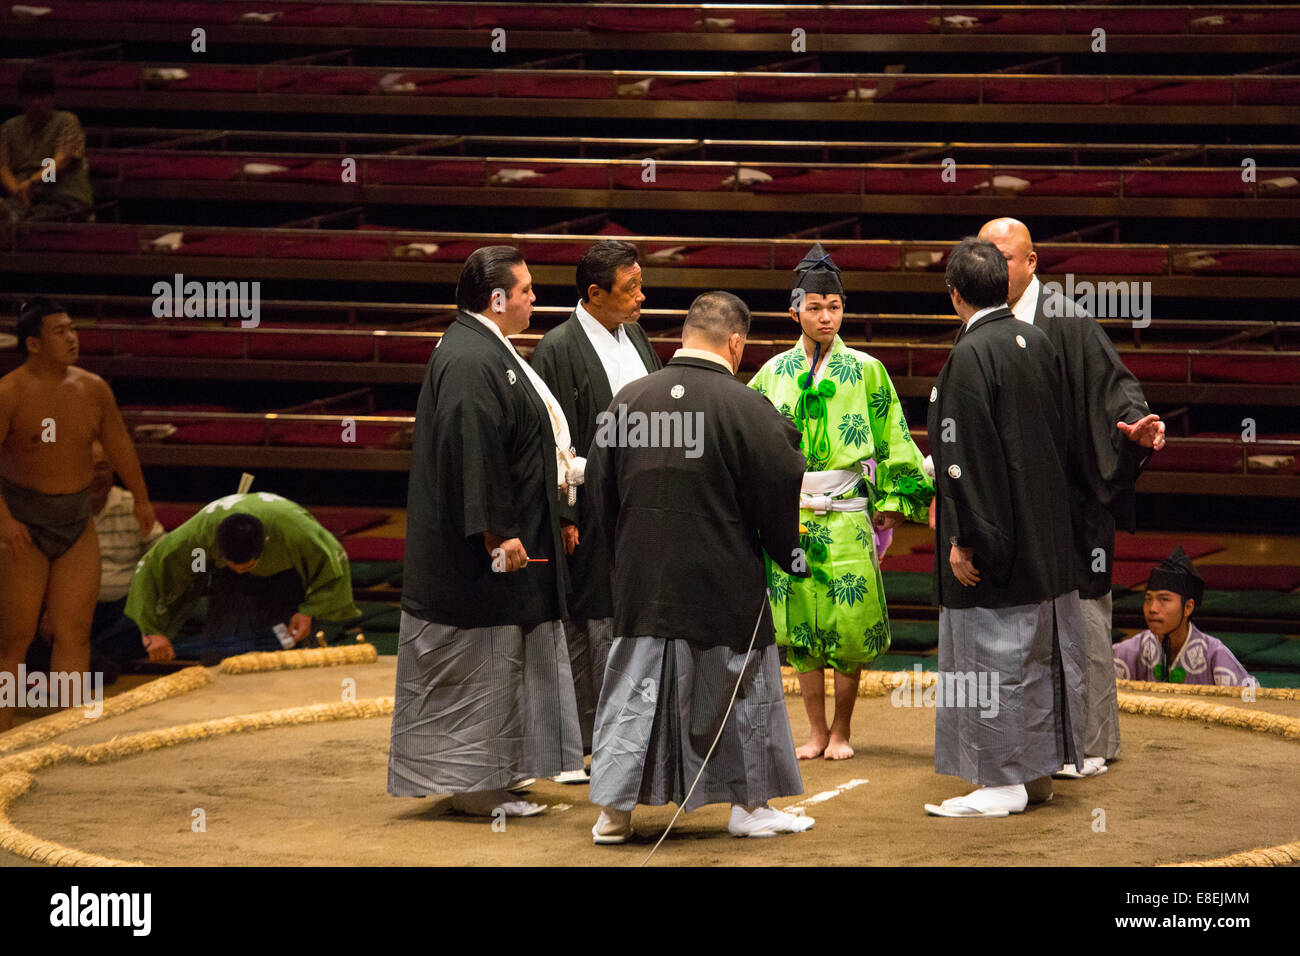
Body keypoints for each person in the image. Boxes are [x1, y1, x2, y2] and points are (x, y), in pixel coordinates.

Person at [585, 291, 814, 843]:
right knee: (741, 689)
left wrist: (621, 559)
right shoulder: (748, 407)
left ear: (685, 336)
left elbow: (597, 490)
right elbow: (782, 485)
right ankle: (750, 807)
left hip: (644, 581)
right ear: (735, 342)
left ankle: (613, 815)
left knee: (632, 690)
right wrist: (790, 555)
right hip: (723, 580)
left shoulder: (628, 400)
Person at [389, 246, 584, 819]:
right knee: (486, 660)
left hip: (509, 543)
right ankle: (476, 787)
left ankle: (496, 776)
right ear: (496, 300)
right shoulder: (473, 358)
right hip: (482, 556)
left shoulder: (484, 348)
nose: (532, 298)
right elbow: (473, 450)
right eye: (524, 289)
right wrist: (498, 533)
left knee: (509, 659)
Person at [978, 217, 1166, 779]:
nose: (994, 267)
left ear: (1031, 262)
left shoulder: (1066, 318)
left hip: (1070, 500)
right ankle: (1036, 744)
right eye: (985, 257)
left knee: (1081, 625)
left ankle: (1092, 743)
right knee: (1025, 636)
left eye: (1005, 257)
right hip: (1013, 507)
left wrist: (1133, 425)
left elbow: (1115, 386)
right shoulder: (981, 323)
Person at [749, 244, 933, 760]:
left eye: (834, 306)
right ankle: (813, 732)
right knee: (800, 627)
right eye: (815, 307)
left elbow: (895, 436)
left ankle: (843, 730)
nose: (825, 316)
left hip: (849, 512)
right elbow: (754, 448)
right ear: (795, 311)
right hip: (793, 517)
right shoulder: (771, 374)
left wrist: (894, 500)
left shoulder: (869, 371)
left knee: (849, 628)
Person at [925, 238, 1088, 818]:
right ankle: (1035, 773)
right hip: (1047, 539)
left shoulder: (970, 355)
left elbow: (964, 456)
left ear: (955, 296)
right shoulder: (1037, 342)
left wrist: (967, 539)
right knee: (1037, 660)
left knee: (991, 661)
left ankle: (999, 783)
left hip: (999, 542)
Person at [530, 239, 661, 781]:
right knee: (587, 620)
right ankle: (581, 743)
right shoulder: (557, 349)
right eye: (630, 289)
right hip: (586, 506)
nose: (641, 297)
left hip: (639, 502)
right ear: (594, 293)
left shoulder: (636, 338)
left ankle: (629, 731)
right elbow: (550, 441)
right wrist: (564, 513)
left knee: (632, 614)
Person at [0, 297, 155, 732]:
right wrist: (5, 521)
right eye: (60, 331)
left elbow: (120, 444)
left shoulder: (93, 388)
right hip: (22, 525)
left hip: (75, 522)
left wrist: (142, 499)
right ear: (33, 343)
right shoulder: (8, 393)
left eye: (73, 328)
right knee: (14, 639)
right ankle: (3, 737)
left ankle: (64, 734)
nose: (72, 338)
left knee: (75, 633)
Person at [125, 492, 360, 666]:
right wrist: (150, 630)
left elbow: (334, 562)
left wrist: (309, 610)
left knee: (290, 661)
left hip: (286, 580)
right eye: (235, 564)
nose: (241, 569)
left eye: (247, 565)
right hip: (227, 584)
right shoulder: (199, 533)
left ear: (265, 543)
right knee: (220, 663)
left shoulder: (295, 530)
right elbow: (150, 569)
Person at [24, 440, 165, 681]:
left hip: (118, 612)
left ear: (112, 471)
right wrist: (49, 609)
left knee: (141, 621)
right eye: (87, 466)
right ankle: (91, 663)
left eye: (102, 467)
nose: (95, 475)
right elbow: (34, 568)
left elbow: (163, 554)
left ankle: (87, 662)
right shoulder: (52, 509)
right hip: (62, 608)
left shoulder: (131, 505)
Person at [1113, 547, 1256, 687]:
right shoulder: (1131, 651)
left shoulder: (1214, 654)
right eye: (1148, 599)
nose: (1152, 609)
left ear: (1188, 607)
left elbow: (1252, 696)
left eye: (1164, 599)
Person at [1, 66, 94, 224]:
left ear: (52, 98)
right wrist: (19, 192)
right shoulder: (8, 128)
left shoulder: (67, 121)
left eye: (42, 97)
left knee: (40, 216)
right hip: (25, 200)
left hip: (64, 198)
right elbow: (3, 167)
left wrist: (32, 183)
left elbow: (62, 160)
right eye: (31, 97)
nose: (37, 102)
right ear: (21, 99)